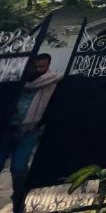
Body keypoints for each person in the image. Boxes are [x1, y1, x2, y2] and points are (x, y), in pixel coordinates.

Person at [0, 54, 60, 213]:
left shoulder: (52, 82)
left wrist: (41, 122)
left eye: (42, 66)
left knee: (19, 169)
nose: (38, 70)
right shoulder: (16, 80)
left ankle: (19, 201)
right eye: (35, 66)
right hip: (7, 129)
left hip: (30, 130)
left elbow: (54, 106)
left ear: (48, 66)